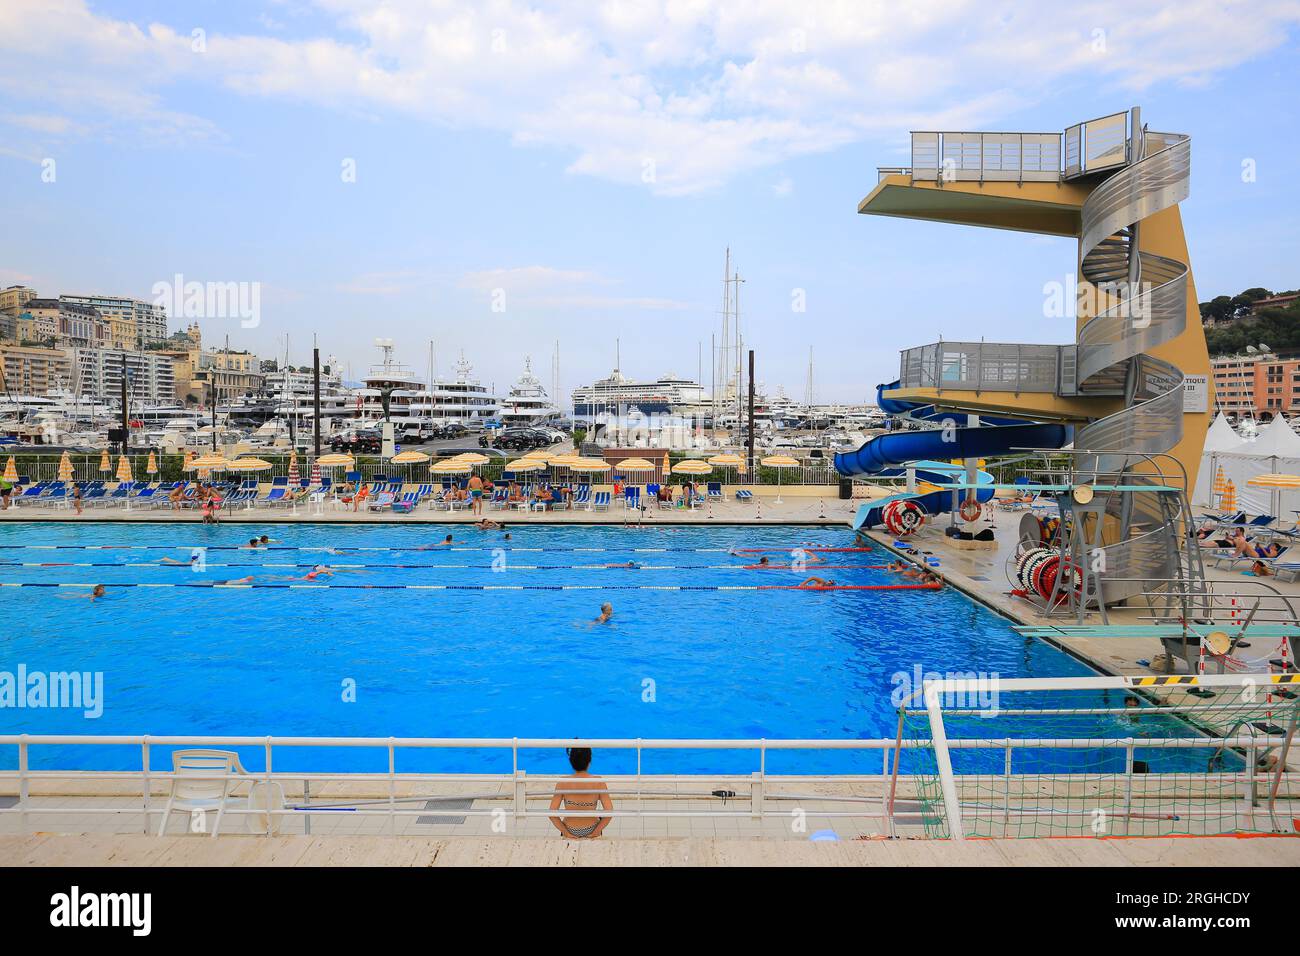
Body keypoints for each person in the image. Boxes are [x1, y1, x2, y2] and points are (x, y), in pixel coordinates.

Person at [549, 747, 612, 840]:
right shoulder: (598, 782)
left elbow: (552, 813)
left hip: (570, 829)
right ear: (589, 761)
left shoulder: (562, 782)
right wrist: (597, 831)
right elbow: (609, 812)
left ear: (571, 762)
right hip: (592, 828)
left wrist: (565, 832)